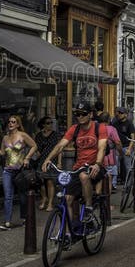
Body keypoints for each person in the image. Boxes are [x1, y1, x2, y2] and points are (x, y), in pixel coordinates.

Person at [41, 100, 107, 233]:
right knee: (67, 199)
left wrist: (97, 164)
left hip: (96, 167)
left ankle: (88, 209)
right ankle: (71, 232)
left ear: (90, 115)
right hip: (78, 167)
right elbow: (61, 145)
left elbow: (102, 147)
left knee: (84, 176)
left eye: (83, 114)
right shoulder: (74, 129)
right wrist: (48, 159)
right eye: (77, 114)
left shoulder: (99, 128)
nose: (80, 116)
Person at [0, 113, 37, 229]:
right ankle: (7, 222)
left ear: (17, 124)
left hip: (20, 170)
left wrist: (27, 158)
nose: (10, 124)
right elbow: (2, 153)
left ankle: (24, 218)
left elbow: (34, 146)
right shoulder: (5, 138)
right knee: (8, 196)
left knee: (22, 196)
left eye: (13, 122)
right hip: (7, 170)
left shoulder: (23, 135)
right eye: (9, 122)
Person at [34, 116, 61, 212]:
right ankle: (44, 198)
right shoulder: (38, 135)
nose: (50, 125)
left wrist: (59, 162)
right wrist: (36, 153)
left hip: (51, 161)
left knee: (50, 181)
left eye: (51, 123)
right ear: (43, 124)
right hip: (41, 160)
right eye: (48, 123)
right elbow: (35, 147)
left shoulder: (56, 135)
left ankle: (50, 203)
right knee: (41, 181)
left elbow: (59, 149)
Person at [111, 106, 135, 184]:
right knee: (114, 165)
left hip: (126, 147)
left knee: (128, 166)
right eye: (118, 113)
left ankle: (129, 184)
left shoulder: (129, 124)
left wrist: (129, 149)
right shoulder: (115, 123)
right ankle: (113, 184)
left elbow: (133, 138)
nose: (119, 114)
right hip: (117, 147)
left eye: (121, 113)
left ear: (126, 114)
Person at [98, 112, 122, 190]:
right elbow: (117, 142)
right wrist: (120, 152)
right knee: (109, 175)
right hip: (109, 155)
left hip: (97, 155)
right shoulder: (112, 129)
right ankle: (107, 197)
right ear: (109, 120)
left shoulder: (96, 127)